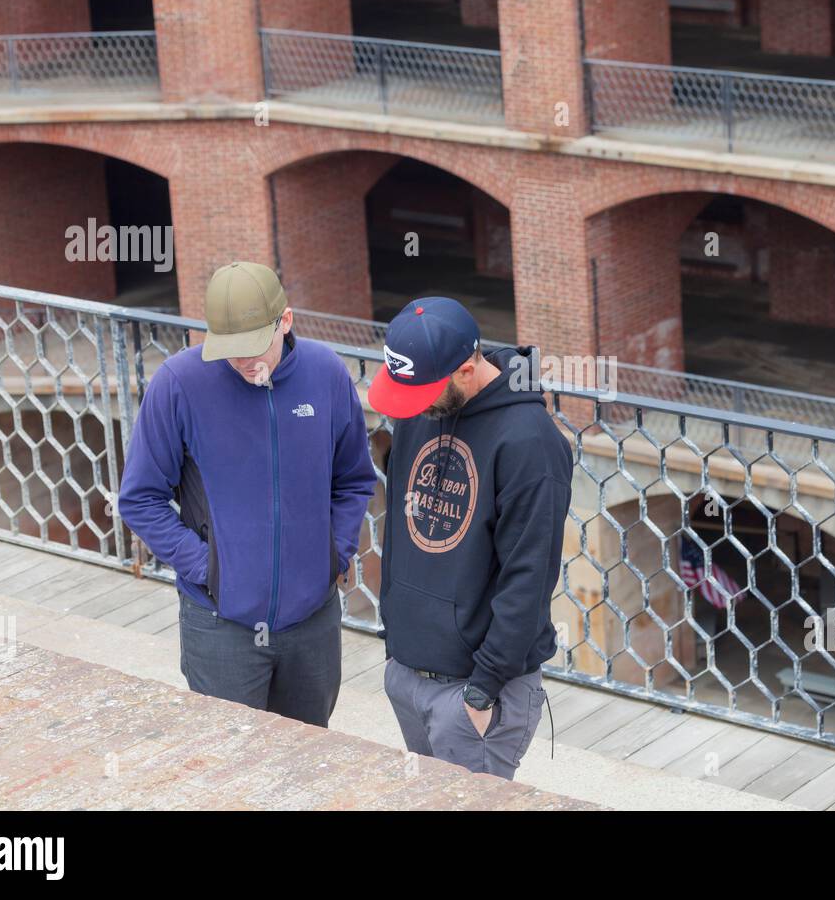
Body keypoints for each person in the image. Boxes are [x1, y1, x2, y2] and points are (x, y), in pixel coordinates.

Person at [118, 261, 376, 727]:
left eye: (254, 346)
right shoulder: (177, 384)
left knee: (308, 760)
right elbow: (140, 498)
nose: (243, 362)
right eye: (230, 351)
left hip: (311, 623)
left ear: (287, 321)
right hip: (221, 628)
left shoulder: (328, 375)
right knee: (230, 769)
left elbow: (354, 479)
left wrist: (332, 556)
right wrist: (207, 567)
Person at [368, 297, 572, 780]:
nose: (413, 407)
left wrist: (482, 691)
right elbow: (400, 523)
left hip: (476, 693)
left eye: (420, 394)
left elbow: (529, 577)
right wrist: (394, 636)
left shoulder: (531, 444)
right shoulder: (423, 403)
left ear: (464, 370)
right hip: (408, 671)